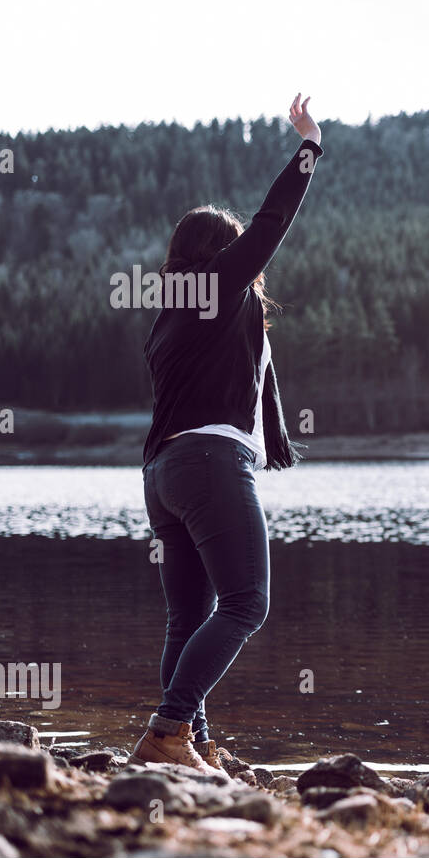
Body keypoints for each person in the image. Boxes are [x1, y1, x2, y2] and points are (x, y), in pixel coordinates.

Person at [131, 95, 324, 774]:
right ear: (217, 252)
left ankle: (192, 747)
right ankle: (168, 728)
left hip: (164, 475)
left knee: (188, 619)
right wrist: (309, 148)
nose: (249, 256)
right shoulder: (216, 285)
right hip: (210, 462)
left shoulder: (168, 314)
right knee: (247, 602)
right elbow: (270, 225)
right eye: (235, 243)